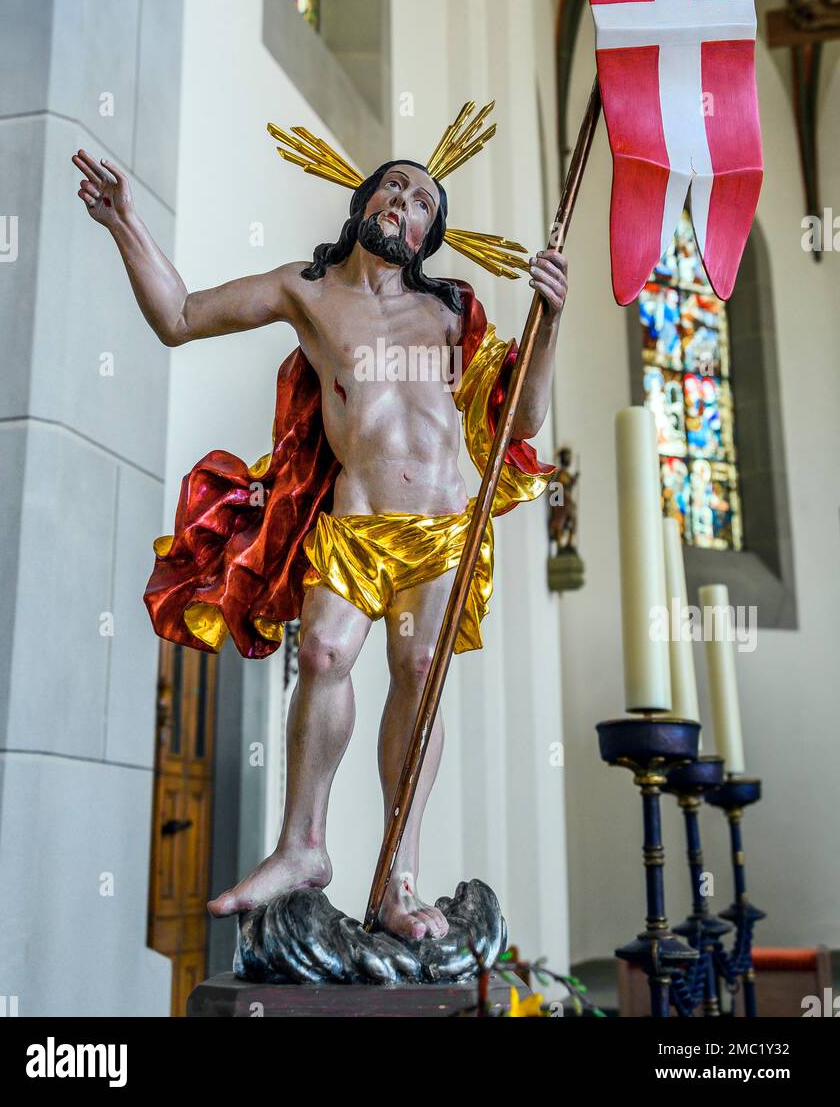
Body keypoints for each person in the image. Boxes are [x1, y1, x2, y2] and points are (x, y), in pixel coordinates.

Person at [71, 118, 567, 942]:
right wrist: (126, 222)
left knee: (417, 665)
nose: (404, 204)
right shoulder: (308, 291)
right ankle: (303, 846)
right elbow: (181, 314)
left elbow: (527, 414)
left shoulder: (451, 312)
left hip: (439, 528)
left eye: (423, 202)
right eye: (394, 187)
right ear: (364, 200)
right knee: (327, 655)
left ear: (428, 235)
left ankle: (398, 877)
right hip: (355, 520)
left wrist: (548, 322)